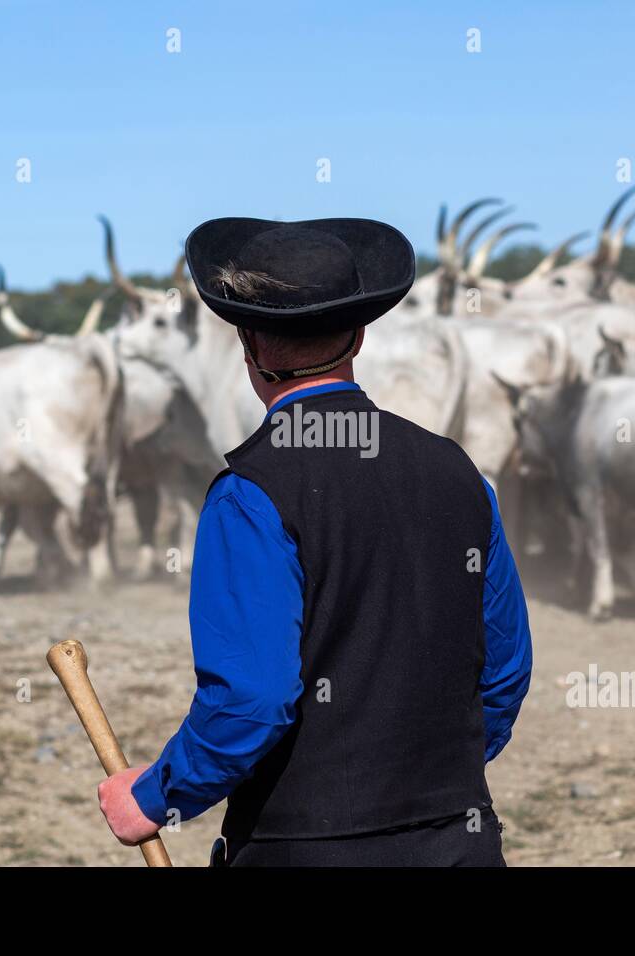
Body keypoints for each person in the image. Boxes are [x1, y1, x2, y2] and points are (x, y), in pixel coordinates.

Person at [96, 217, 533, 866]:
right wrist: (432, 778)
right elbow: (504, 674)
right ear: (359, 334)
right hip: (461, 842)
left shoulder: (249, 493)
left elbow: (254, 702)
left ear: (250, 347)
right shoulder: (460, 473)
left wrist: (158, 796)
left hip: (304, 848)